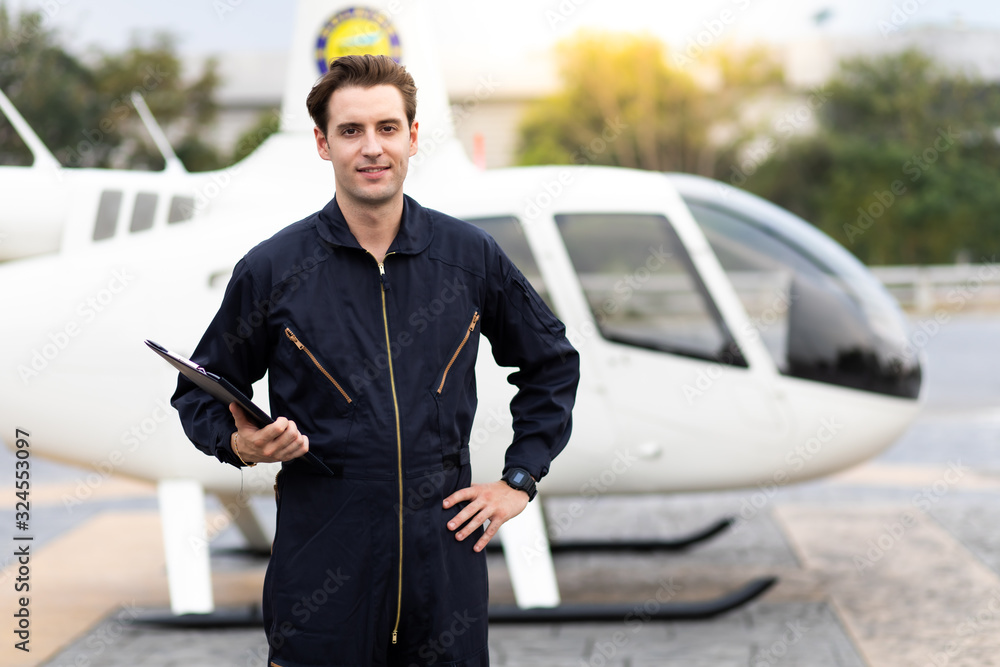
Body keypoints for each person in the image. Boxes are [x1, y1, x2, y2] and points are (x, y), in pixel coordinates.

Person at [171, 54, 579, 666]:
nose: (371, 148)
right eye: (351, 130)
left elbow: (551, 362)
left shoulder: (470, 257)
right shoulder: (273, 270)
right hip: (322, 568)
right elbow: (201, 389)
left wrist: (519, 479)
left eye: (387, 128)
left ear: (412, 137)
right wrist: (240, 444)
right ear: (323, 143)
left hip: (444, 570)